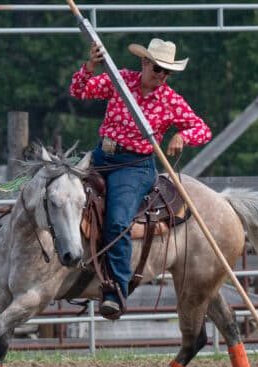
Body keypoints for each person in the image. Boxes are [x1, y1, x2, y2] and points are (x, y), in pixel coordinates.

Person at [69, 38, 212, 318]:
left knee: (118, 220)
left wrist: (182, 135)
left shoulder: (171, 101)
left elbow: (202, 129)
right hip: (100, 158)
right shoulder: (120, 80)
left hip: (134, 166)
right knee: (61, 197)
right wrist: (90, 66)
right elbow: (79, 90)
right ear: (145, 62)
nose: (161, 76)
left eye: (166, 72)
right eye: (157, 68)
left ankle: (116, 290)